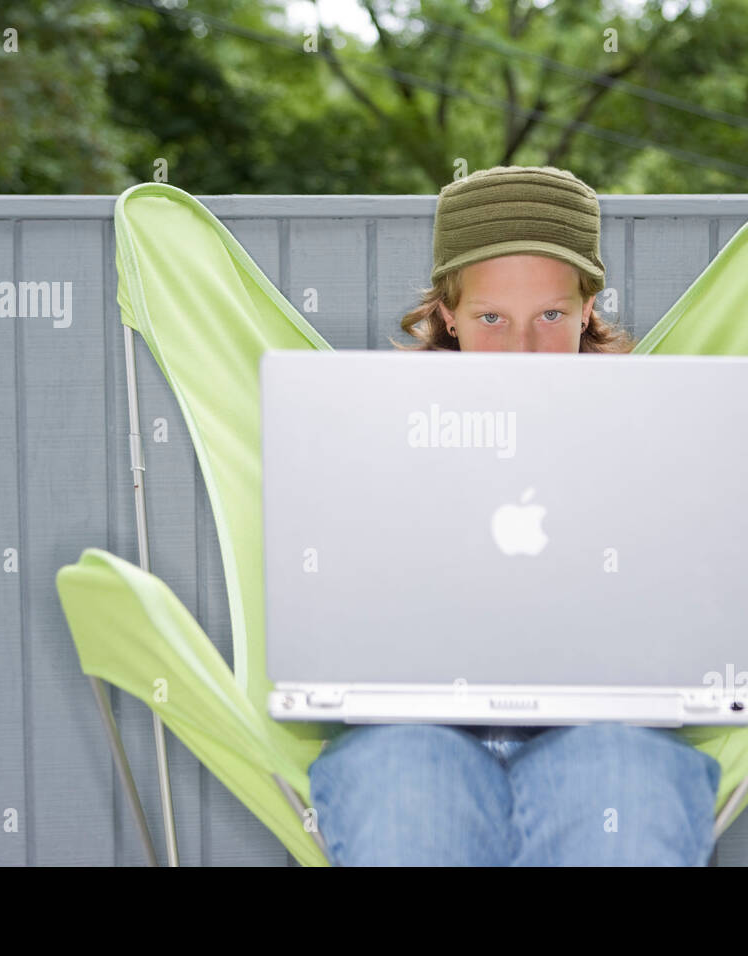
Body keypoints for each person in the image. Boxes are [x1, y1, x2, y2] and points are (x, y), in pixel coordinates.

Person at [307, 165, 723, 866]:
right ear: (447, 313)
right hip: (412, 730)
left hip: (604, 728)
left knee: (625, 793)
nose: (524, 350)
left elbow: (686, 616)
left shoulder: (658, 429)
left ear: (589, 307)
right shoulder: (368, 427)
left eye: (551, 316)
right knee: (407, 807)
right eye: (491, 318)